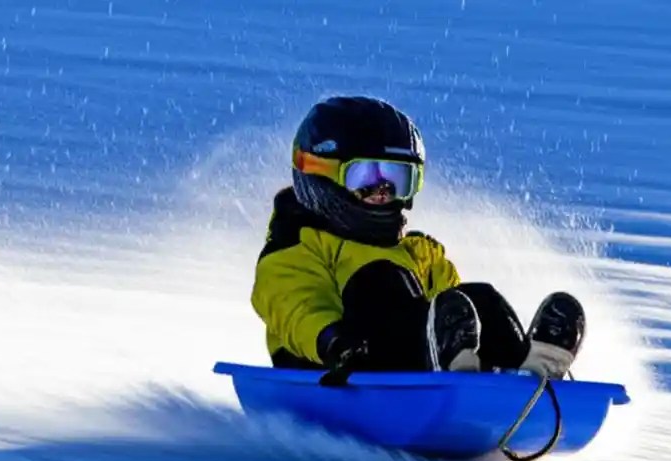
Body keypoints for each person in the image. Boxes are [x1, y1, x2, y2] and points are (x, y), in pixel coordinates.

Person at [251, 95, 585, 380]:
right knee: (379, 280)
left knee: (479, 297)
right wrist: (332, 341)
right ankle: (452, 367)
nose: (384, 190)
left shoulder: (419, 253)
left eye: (398, 178)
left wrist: (470, 328)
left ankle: (529, 367)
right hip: (339, 369)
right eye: (367, 176)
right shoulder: (296, 247)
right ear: (320, 174)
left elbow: (454, 313)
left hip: (420, 366)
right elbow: (295, 307)